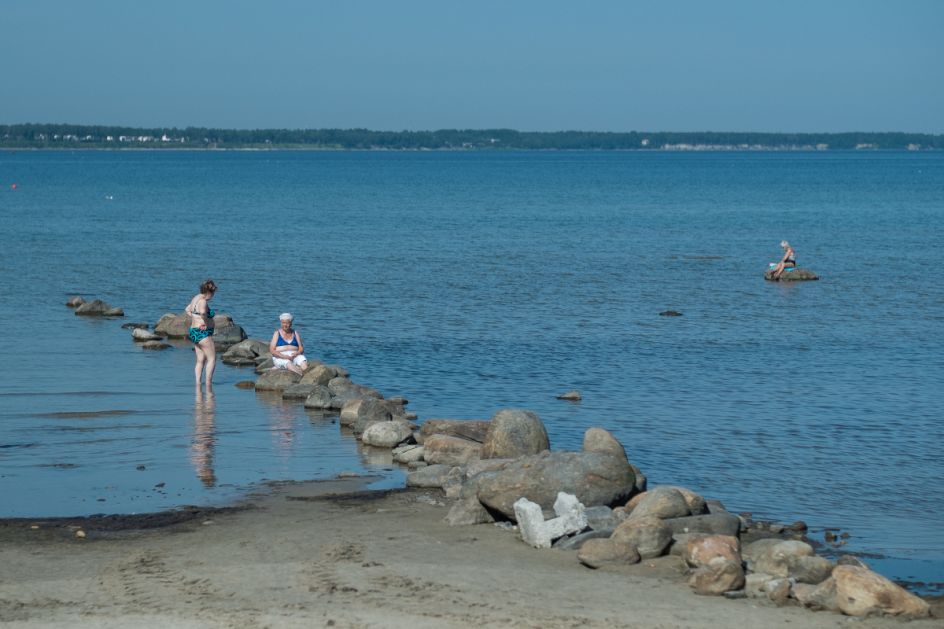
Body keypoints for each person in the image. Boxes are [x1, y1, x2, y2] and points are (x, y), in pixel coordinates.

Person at [185, 279, 218, 386]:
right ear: (210, 292)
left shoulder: (196, 297)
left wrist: (195, 317)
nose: (213, 296)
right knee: (212, 358)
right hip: (202, 333)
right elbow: (203, 312)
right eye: (213, 293)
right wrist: (204, 321)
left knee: (200, 360)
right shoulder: (203, 301)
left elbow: (187, 309)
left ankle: (198, 384)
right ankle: (208, 384)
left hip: (194, 332)